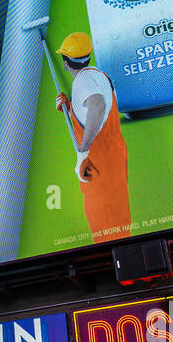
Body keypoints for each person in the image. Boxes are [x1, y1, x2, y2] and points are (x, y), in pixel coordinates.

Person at [54, 32, 132, 242]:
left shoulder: (83, 82)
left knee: (104, 222)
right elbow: (98, 113)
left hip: (99, 158)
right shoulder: (98, 75)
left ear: (65, 62)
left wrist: (83, 151)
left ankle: (121, 270)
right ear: (88, 55)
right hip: (113, 151)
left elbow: (97, 106)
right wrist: (71, 108)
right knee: (117, 217)